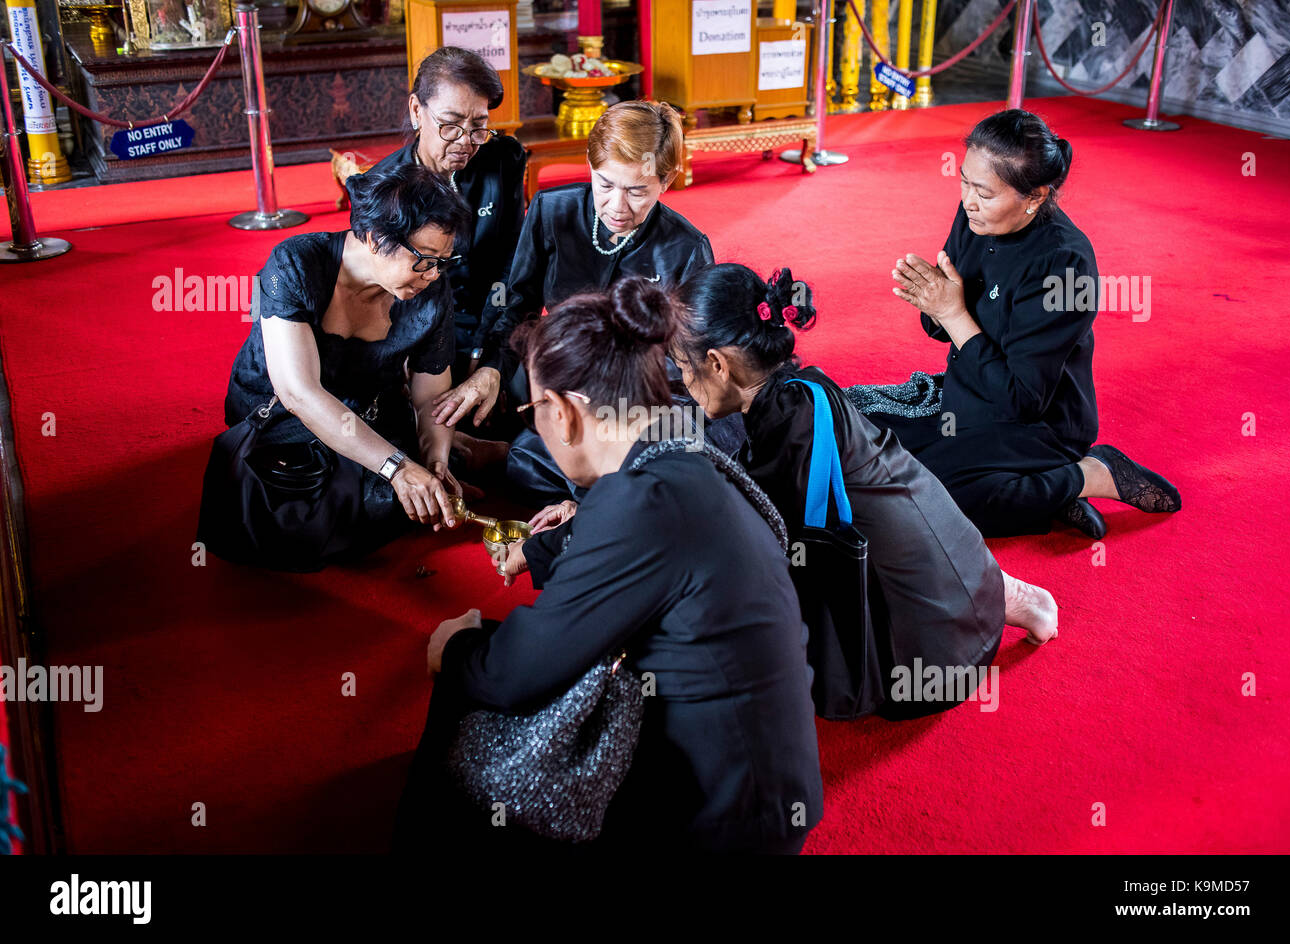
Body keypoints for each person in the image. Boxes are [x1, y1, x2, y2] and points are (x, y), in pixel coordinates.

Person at [396, 278, 823, 854]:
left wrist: (453, 649)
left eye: (532, 412)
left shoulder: (640, 500)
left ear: (566, 412)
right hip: (760, 789)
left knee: (470, 686)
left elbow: (514, 672)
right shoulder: (685, 457)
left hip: (717, 821)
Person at [667, 263, 1058, 716]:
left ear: (717, 363)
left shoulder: (785, 426)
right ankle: (998, 595)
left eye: (682, 368)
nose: (684, 383)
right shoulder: (804, 388)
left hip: (926, 674)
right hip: (966, 593)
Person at [865, 109, 1179, 539]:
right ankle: (1045, 493)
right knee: (854, 434)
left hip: (1038, 425)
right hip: (967, 396)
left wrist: (952, 312)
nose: (968, 200)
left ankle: (1086, 475)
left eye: (984, 192)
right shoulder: (977, 216)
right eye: (964, 181)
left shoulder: (1064, 265)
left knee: (921, 501)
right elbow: (940, 327)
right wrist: (935, 301)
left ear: (1034, 196)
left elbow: (1022, 402)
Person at [424, 100, 733, 502]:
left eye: (638, 191)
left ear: (667, 179)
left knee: (661, 455)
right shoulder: (553, 211)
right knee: (486, 392)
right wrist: (491, 369)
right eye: (605, 184)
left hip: (637, 394)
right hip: (558, 370)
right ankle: (534, 459)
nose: (617, 207)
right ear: (589, 165)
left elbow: (689, 366)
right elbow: (517, 303)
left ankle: (512, 458)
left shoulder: (686, 247)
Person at [211, 161, 473, 568]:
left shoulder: (431, 290)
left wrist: (433, 457)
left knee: (430, 478)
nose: (433, 275)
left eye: (443, 260)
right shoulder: (295, 264)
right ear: (372, 237)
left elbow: (430, 397)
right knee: (294, 516)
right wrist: (397, 466)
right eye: (423, 259)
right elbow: (299, 392)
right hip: (284, 419)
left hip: (369, 414)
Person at [367, 46, 527, 469]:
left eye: (478, 127)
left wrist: (491, 357)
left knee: (542, 402)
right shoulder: (378, 189)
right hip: (416, 345)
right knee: (404, 427)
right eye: (451, 125)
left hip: (491, 326)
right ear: (417, 110)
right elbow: (382, 299)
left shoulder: (502, 161)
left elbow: (513, 270)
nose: (465, 143)